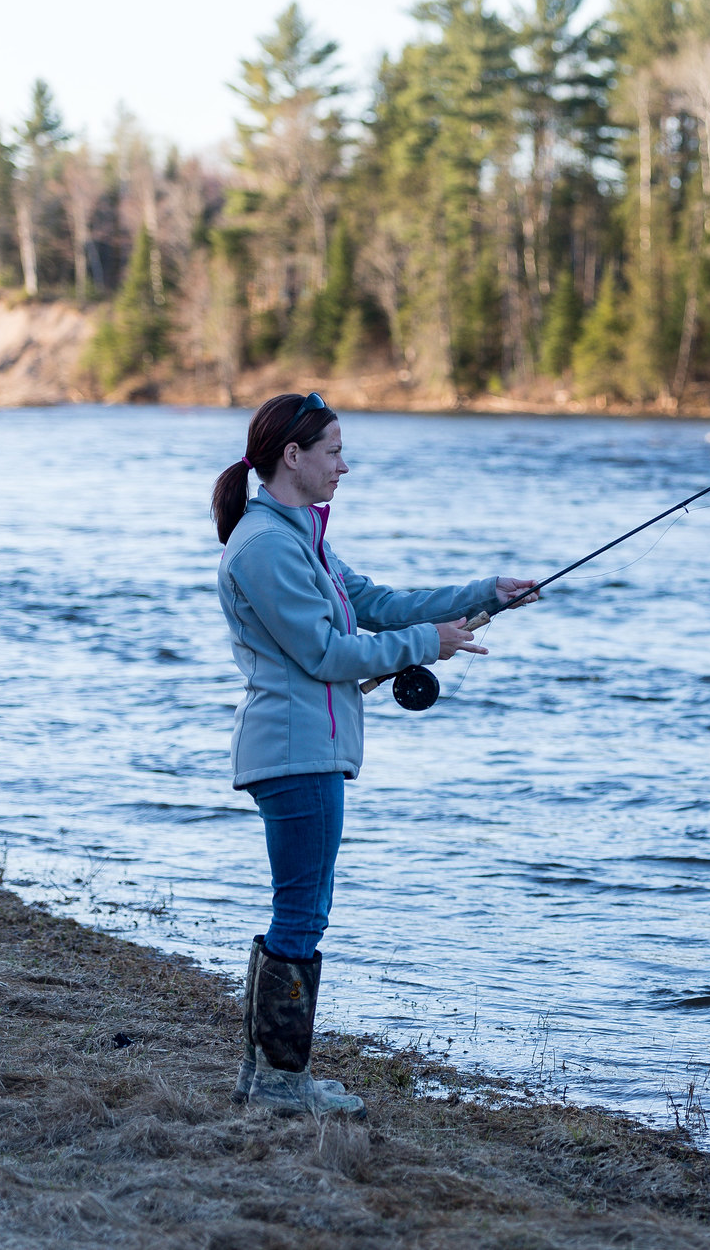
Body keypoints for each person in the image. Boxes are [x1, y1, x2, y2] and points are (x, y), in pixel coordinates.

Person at [210, 392, 538, 1115]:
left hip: (309, 746)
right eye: (332, 451)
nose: (344, 466)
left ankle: (266, 1075)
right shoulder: (265, 545)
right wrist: (433, 644)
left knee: (301, 908)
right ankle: (280, 1084)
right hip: (294, 752)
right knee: (303, 911)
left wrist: (488, 593)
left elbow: (376, 602)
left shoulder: (300, 535)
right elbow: (326, 652)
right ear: (292, 456)